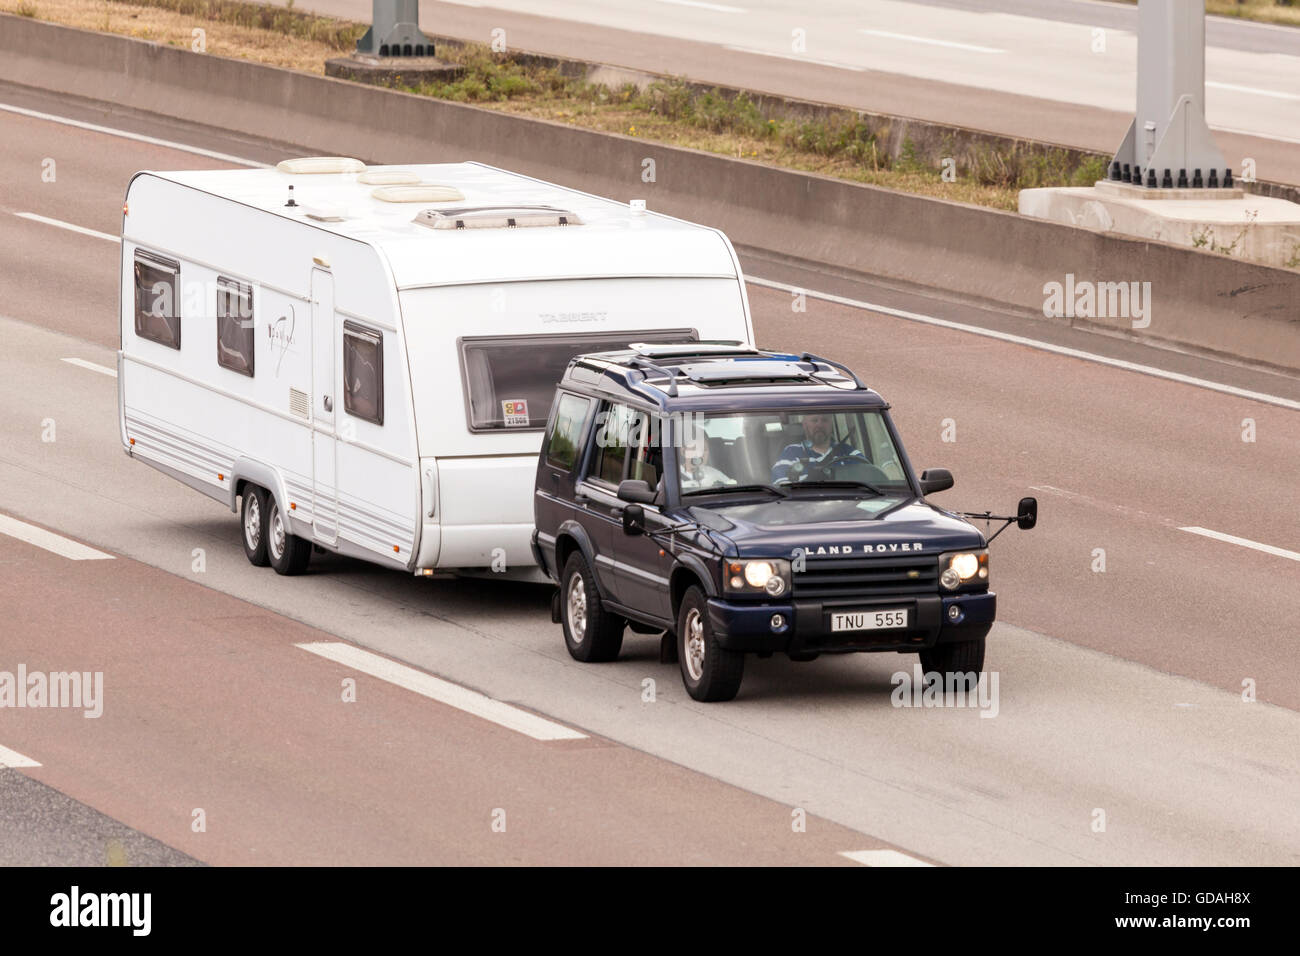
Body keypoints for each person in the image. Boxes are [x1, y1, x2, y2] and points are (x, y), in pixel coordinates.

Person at [771, 413, 869, 482]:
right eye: (814, 420)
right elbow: (781, 485)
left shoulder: (848, 452)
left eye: (824, 420)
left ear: (831, 425)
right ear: (804, 425)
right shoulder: (791, 452)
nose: (820, 425)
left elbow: (870, 479)